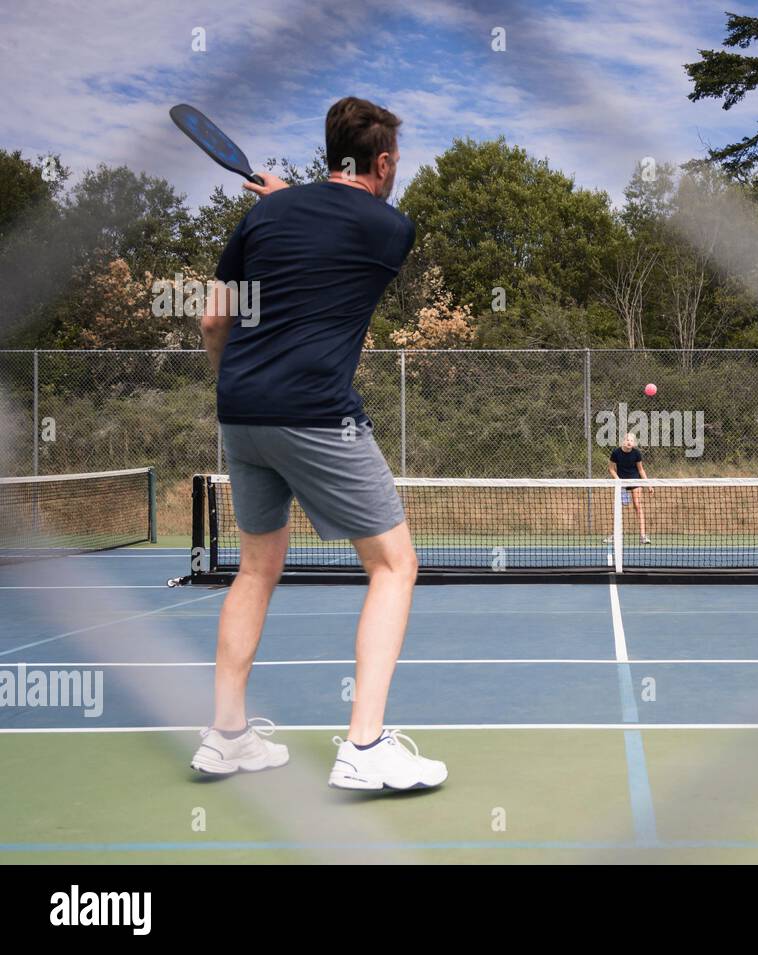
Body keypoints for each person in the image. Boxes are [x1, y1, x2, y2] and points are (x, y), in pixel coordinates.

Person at [190, 96, 446, 791]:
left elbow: (215, 320)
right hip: (316, 413)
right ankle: (364, 745)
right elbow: (339, 226)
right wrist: (292, 200)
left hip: (240, 411)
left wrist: (235, 386)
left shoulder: (261, 214)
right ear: (384, 161)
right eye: (396, 161)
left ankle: (227, 735)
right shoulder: (390, 228)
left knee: (255, 567)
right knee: (394, 564)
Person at [606, 432, 653, 544]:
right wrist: (618, 480)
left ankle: (642, 536)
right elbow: (611, 469)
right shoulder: (616, 453)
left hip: (635, 481)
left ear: (634, 443)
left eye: (631, 440)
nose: (629, 442)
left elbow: (641, 470)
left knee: (637, 506)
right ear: (623, 441)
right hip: (621, 483)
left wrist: (648, 484)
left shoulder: (636, 453)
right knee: (617, 508)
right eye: (627, 440)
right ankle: (614, 535)